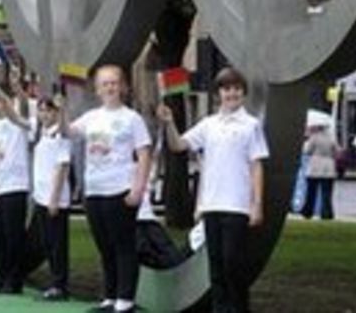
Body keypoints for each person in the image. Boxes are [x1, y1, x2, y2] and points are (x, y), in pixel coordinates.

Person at [158, 66, 268, 313]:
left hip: (237, 205)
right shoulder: (209, 125)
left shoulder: (251, 125)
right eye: (227, 89)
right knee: (215, 265)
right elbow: (178, 145)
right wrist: (169, 123)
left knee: (232, 263)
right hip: (212, 205)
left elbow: (256, 165)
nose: (232, 94)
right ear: (219, 93)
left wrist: (257, 204)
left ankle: (238, 308)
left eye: (237, 89)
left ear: (243, 93)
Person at [64, 64, 152, 313]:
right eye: (105, 84)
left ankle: (126, 299)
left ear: (122, 87)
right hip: (94, 190)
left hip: (120, 188)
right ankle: (110, 297)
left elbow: (144, 154)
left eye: (114, 83)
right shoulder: (91, 117)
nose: (110, 87)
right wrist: (61, 110)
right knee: (104, 246)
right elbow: (67, 132)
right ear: (97, 89)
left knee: (123, 245)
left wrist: (138, 188)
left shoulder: (132, 118)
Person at [0, 84, 30, 295]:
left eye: (0, 102)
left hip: (14, 187)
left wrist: (2, 88)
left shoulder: (18, 124)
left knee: (13, 236)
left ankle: (14, 280)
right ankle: (0, 277)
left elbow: (19, 111)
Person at [31, 95, 72, 302]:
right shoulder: (42, 134)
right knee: (47, 242)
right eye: (41, 110)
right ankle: (54, 281)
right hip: (41, 195)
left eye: (48, 110)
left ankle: (60, 284)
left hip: (54, 197)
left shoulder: (61, 134)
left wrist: (54, 197)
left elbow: (62, 166)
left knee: (57, 243)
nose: (44, 115)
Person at [300, 124, 338, 220]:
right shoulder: (331, 138)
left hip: (315, 166)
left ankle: (308, 211)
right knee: (327, 193)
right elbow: (337, 151)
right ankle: (327, 213)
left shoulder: (314, 137)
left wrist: (307, 140)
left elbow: (307, 151)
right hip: (329, 166)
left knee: (311, 192)